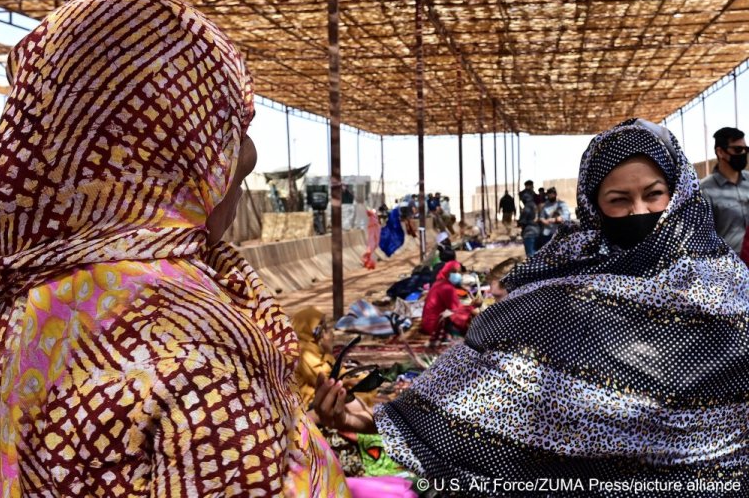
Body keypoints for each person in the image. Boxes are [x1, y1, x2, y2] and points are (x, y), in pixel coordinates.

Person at [0, 0, 350, 496]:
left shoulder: (12, 308)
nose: (233, 173)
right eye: (225, 147)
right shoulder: (195, 347)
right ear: (178, 156)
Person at [314, 118, 749, 493]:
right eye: (619, 200)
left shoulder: (732, 291)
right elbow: (487, 388)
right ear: (595, 209)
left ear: (679, 194)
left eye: (655, 195)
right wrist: (379, 420)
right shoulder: (557, 299)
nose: (641, 210)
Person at [700, 127, 749, 254]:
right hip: (731, 268)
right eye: (738, 149)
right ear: (720, 152)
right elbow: (703, 238)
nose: (743, 153)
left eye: (746, 149)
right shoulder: (705, 190)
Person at [418, 261, 478, 346]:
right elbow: (455, 309)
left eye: (458, 272)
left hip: (428, 322)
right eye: (454, 272)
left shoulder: (439, 283)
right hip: (435, 325)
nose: (457, 275)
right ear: (447, 272)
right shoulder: (446, 288)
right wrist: (473, 309)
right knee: (467, 318)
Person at [293, 308, 334, 408]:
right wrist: (329, 351)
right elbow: (322, 379)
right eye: (319, 326)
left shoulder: (311, 345)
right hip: (307, 402)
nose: (323, 330)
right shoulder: (302, 350)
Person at [517, 190, 539, 257]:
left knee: (531, 256)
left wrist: (519, 222)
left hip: (529, 232)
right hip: (537, 231)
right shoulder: (534, 205)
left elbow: (522, 221)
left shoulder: (527, 207)